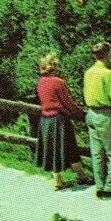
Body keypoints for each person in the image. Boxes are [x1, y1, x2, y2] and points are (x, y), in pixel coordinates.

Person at [33, 52, 89, 190]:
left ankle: (57, 181)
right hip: (59, 119)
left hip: (45, 119)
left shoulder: (40, 83)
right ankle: (82, 177)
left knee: (52, 150)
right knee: (71, 148)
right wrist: (81, 112)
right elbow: (67, 102)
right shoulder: (59, 82)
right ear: (55, 67)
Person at [82, 41, 111, 199]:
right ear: (108, 53)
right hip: (104, 114)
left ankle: (99, 185)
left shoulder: (88, 72)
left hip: (91, 113)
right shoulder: (108, 74)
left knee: (97, 153)